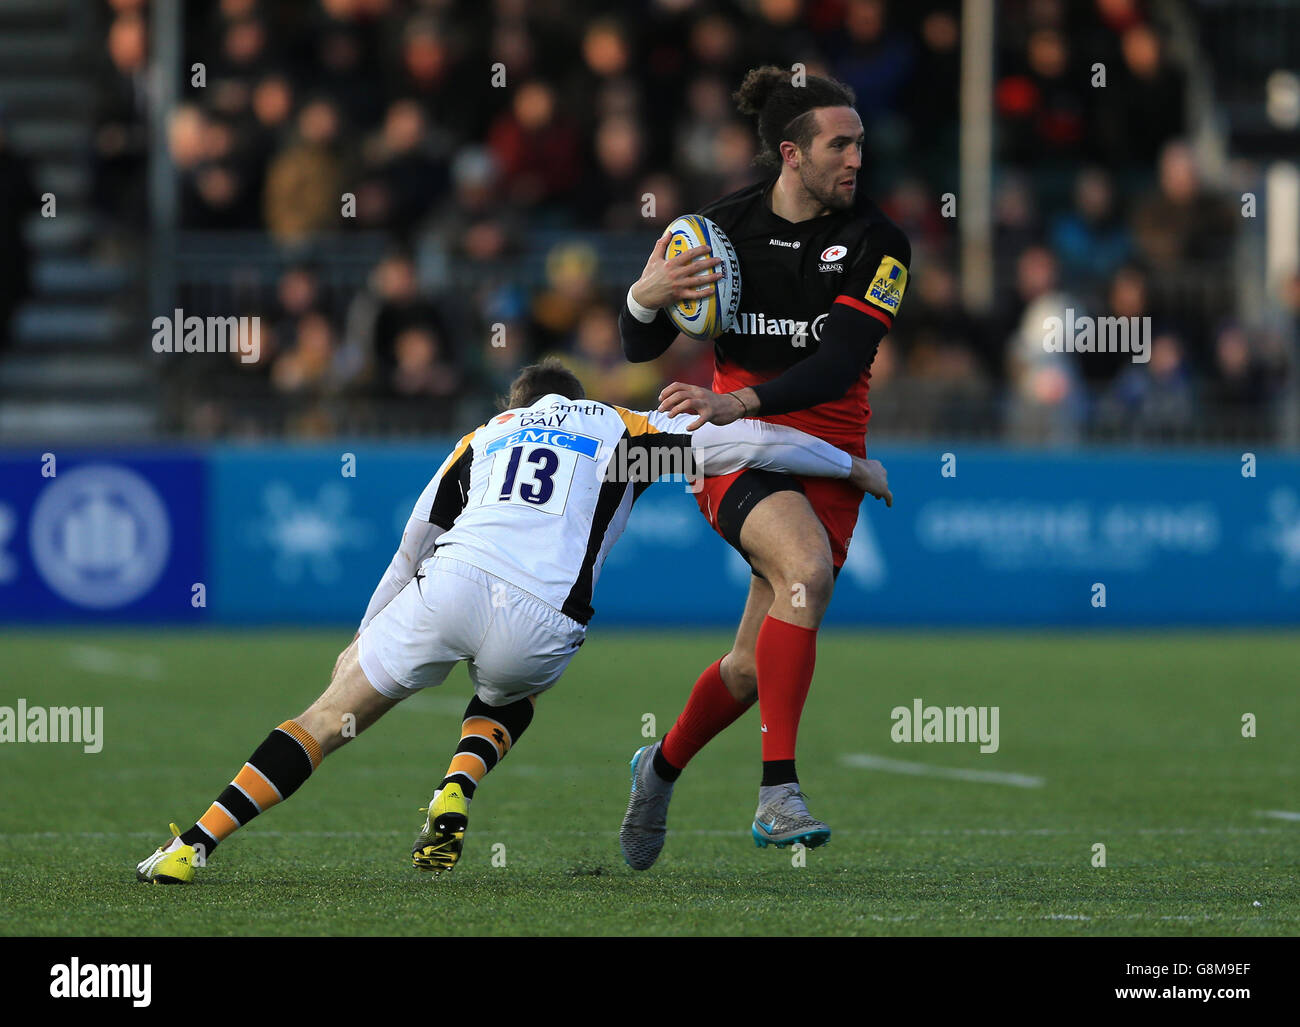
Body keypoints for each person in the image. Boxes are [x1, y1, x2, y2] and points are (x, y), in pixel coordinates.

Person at [136, 359, 891, 882]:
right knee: (509, 690)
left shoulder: (487, 435)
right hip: (543, 615)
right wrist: (849, 464)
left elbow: (412, 545)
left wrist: (362, 638)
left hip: (453, 581)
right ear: (571, 396)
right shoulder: (620, 431)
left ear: (518, 399)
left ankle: (194, 842)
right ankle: (458, 782)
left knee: (327, 719)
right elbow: (747, 442)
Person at [617, 65, 910, 866]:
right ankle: (778, 790)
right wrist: (646, 296)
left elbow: (837, 364)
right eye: (840, 144)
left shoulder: (880, 242)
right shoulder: (722, 227)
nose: (856, 159)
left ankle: (660, 766)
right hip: (735, 451)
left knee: (749, 666)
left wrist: (739, 403)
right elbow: (640, 344)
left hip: (821, 454)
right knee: (806, 566)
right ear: (791, 152)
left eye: (860, 144)